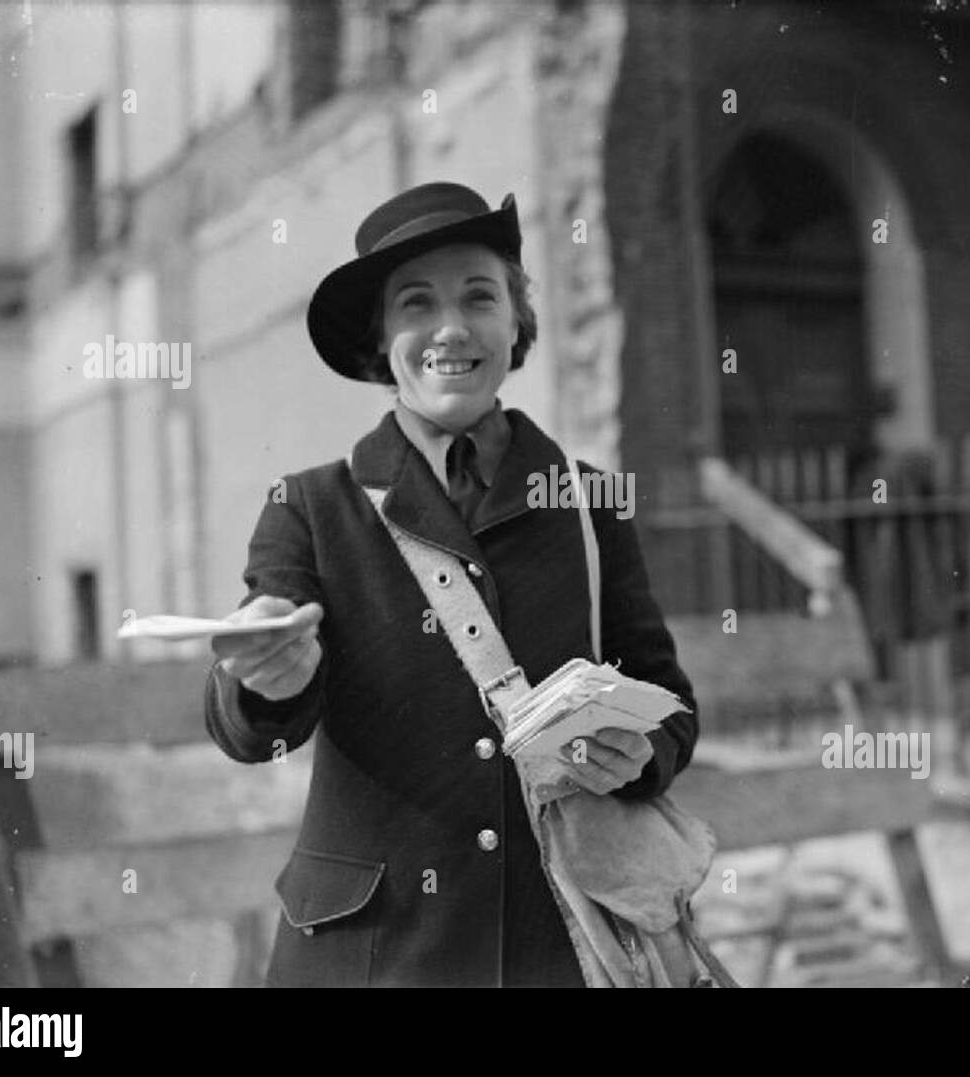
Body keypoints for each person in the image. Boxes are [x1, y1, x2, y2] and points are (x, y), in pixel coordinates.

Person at [203, 182, 699, 987]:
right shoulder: (311, 506)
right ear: (380, 339)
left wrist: (639, 752)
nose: (451, 328)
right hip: (373, 955)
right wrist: (262, 679)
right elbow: (249, 728)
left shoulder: (587, 503)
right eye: (415, 304)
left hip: (556, 946)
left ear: (516, 322)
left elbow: (668, 698)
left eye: (480, 296)